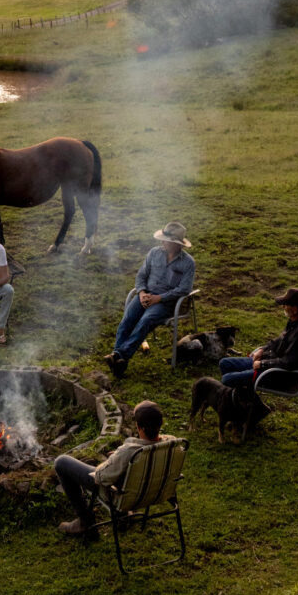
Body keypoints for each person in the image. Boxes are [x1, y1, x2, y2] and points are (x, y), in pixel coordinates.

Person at [54, 399, 178, 540]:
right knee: (120, 471)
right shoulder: (172, 443)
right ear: (160, 423)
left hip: (123, 498)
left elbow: (100, 477)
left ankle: (85, 522)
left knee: (61, 462)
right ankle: (123, 517)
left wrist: (111, 461)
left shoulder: (129, 452)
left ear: (140, 428)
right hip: (156, 493)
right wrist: (119, 458)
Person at [104, 221, 196, 378]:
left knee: (146, 320)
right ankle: (119, 360)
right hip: (146, 296)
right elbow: (141, 275)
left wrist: (159, 298)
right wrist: (141, 293)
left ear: (177, 244)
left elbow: (184, 289)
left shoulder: (188, 263)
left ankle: (119, 356)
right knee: (127, 319)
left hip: (165, 303)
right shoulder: (154, 253)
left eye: (167, 241)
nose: (163, 243)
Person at [219, 287, 298, 392]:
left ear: (295, 309)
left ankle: (244, 397)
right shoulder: (294, 322)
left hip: (278, 375)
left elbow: (288, 363)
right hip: (270, 364)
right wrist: (263, 349)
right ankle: (243, 396)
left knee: (227, 379)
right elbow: (278, 341)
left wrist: (263, 364)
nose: (283, 306)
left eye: (285, 304)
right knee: (225, 363)